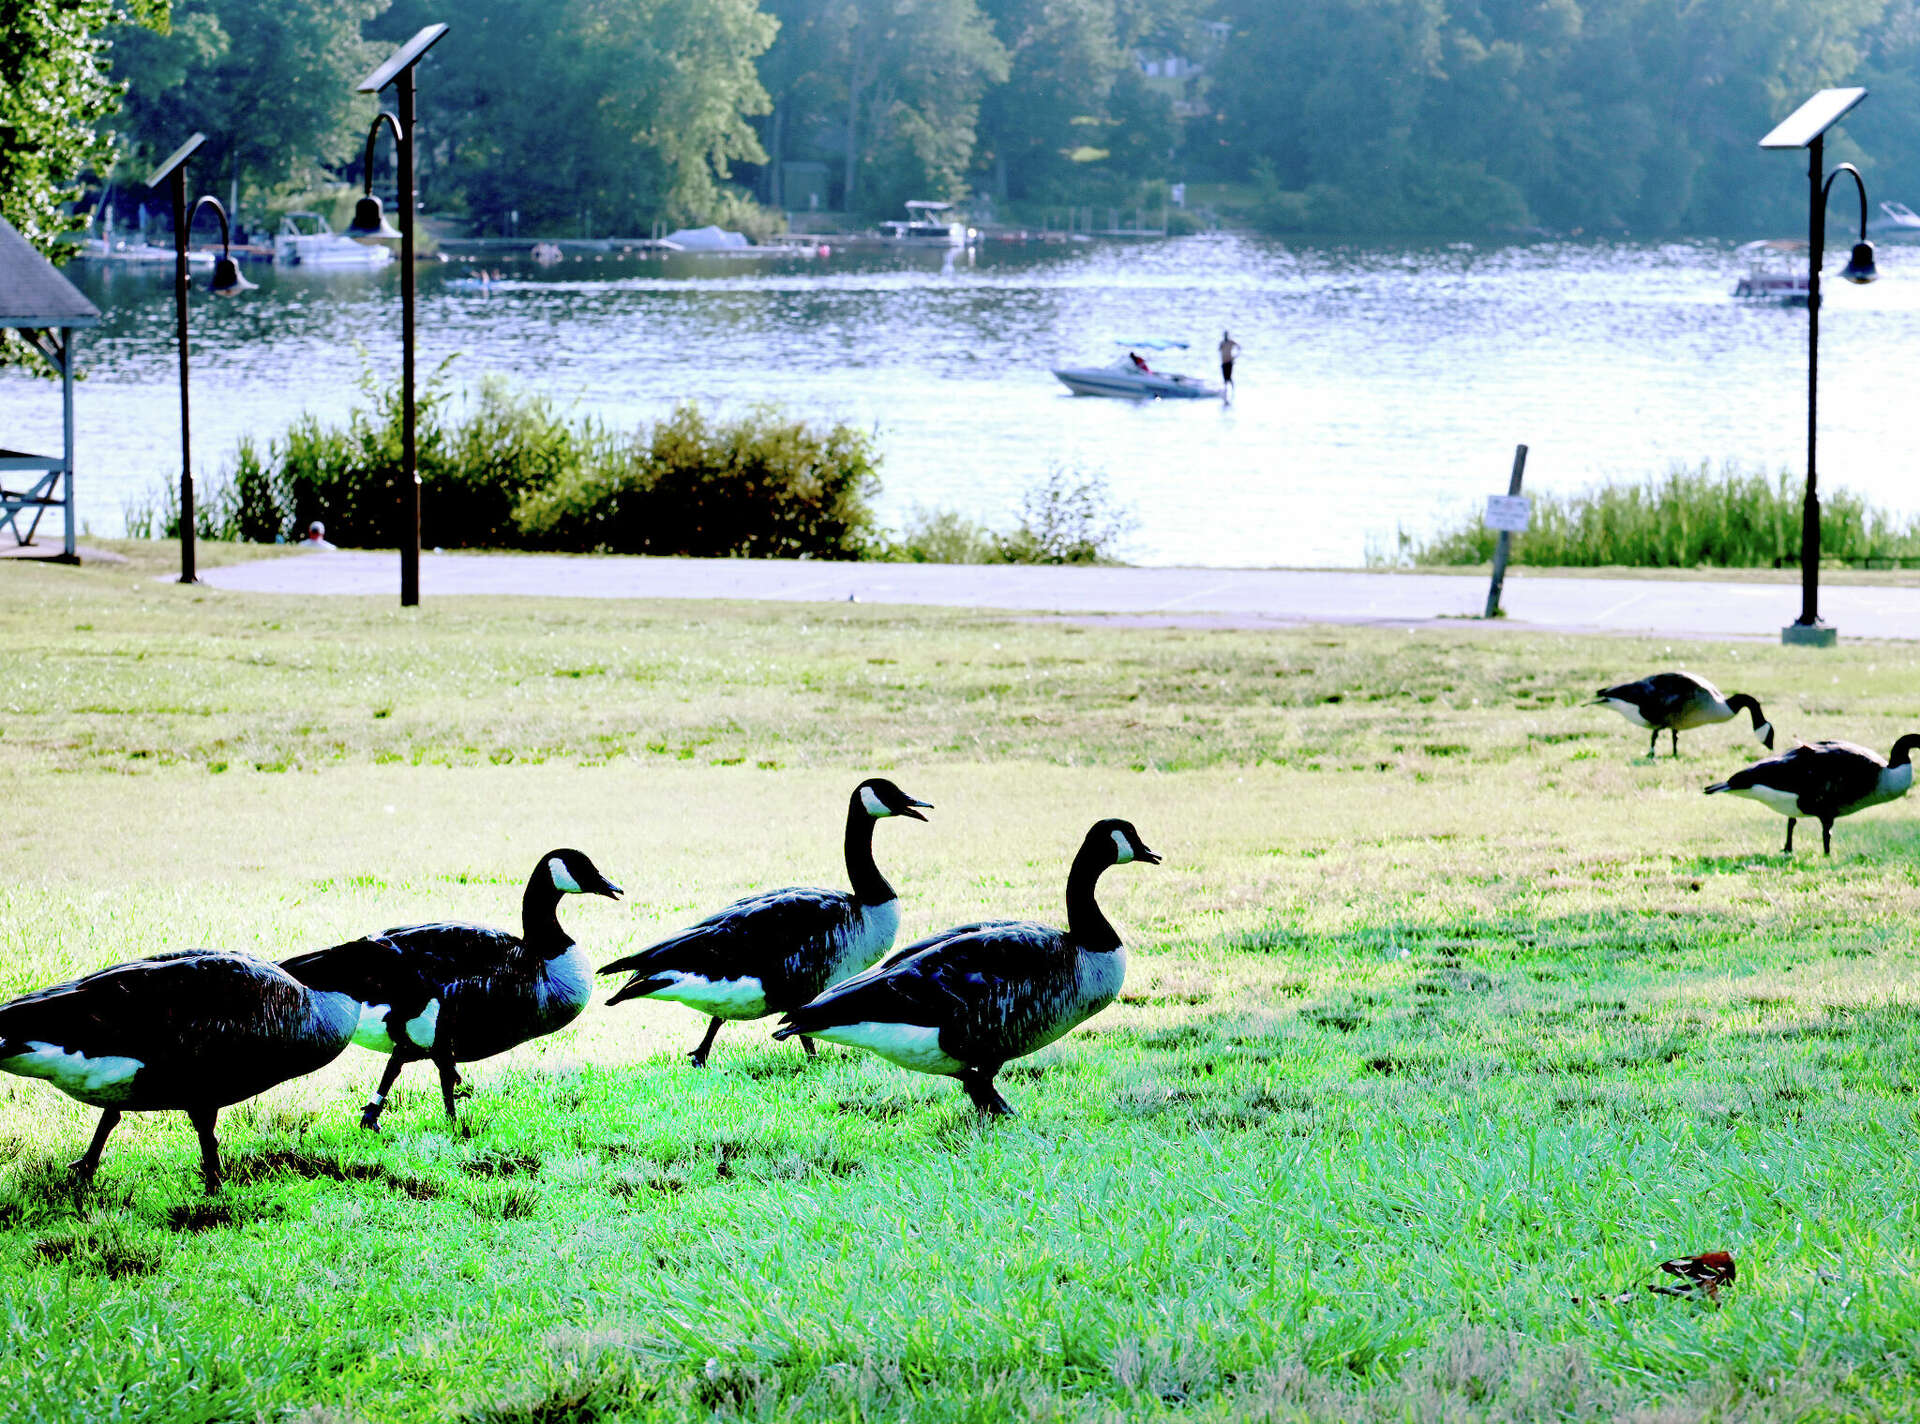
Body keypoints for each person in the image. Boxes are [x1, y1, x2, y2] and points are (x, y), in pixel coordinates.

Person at [1219, 330, 1240, 397]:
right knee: (1225, 378)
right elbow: (1220, 350)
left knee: (1229, 377)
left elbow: (1239, 347)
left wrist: (1235, 357)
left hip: (1229, 362)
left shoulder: (1230, 342)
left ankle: (1233, 391)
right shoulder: (1222, 343)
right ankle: (1226, 391)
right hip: (1223, 362)